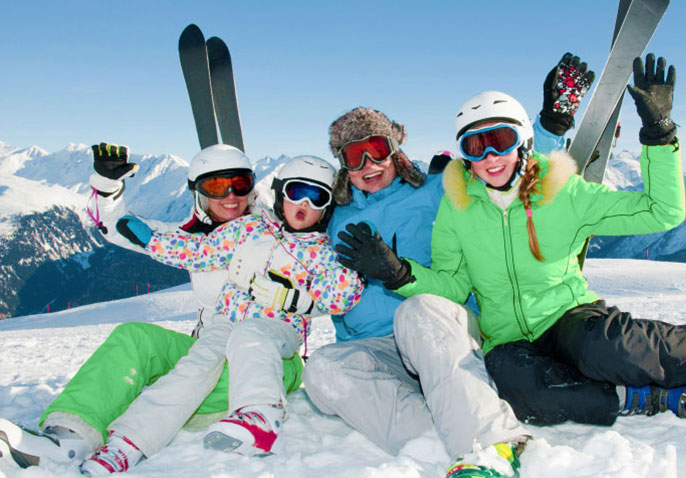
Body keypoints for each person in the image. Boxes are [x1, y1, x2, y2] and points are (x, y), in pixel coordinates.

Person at [334, 54, 686, 477]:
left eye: (501, 140)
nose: (491, 156)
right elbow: (451, 282)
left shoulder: (565, 193)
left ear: (523, 142)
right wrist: (400, 275)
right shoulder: (458, 207)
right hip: (506, 335)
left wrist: (659, 133)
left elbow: (661, 211)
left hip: (567, 314)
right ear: (464, 156)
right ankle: (647, 400)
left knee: (609, 347)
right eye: (475, 145)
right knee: (519, 389)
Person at [302, 53, 595, 478]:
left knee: (417, 309)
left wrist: (550, 126)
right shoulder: (338, 218)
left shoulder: (441, 189)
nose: (369, 165)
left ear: (394, 149)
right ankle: (444, 442)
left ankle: (491, 448)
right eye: (355, 156)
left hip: (444, 329)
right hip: (382, 351)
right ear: (343, 164)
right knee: (324, 370)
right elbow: (286, 235)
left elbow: (510, 174)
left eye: (377, 150)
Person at [0, 144, 305, 470]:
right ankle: (67, 440)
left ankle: (138, 434)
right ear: (197, 192)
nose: (230, 195)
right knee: (134, 339)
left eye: (240, 184)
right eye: (216, 186)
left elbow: (322, 236)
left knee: (203, 370)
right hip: (207, 348)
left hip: (269, 360)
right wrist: (107, 187)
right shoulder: (190, 239)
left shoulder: (280, 230)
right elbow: (122, 229)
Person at [76, 155, 363, 475]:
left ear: (327, 206)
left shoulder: (324, 250)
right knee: (195, 366)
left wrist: (298, 293)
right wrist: (152, 239)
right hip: (226, 319)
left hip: (277, 326)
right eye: (297, 192)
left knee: (251, 336)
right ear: (282, 194)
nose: (305, 204)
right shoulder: (251, 227)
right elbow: (201, 252)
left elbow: (341, 297)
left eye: (318, 197)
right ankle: (127, 445)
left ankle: (260, 417)